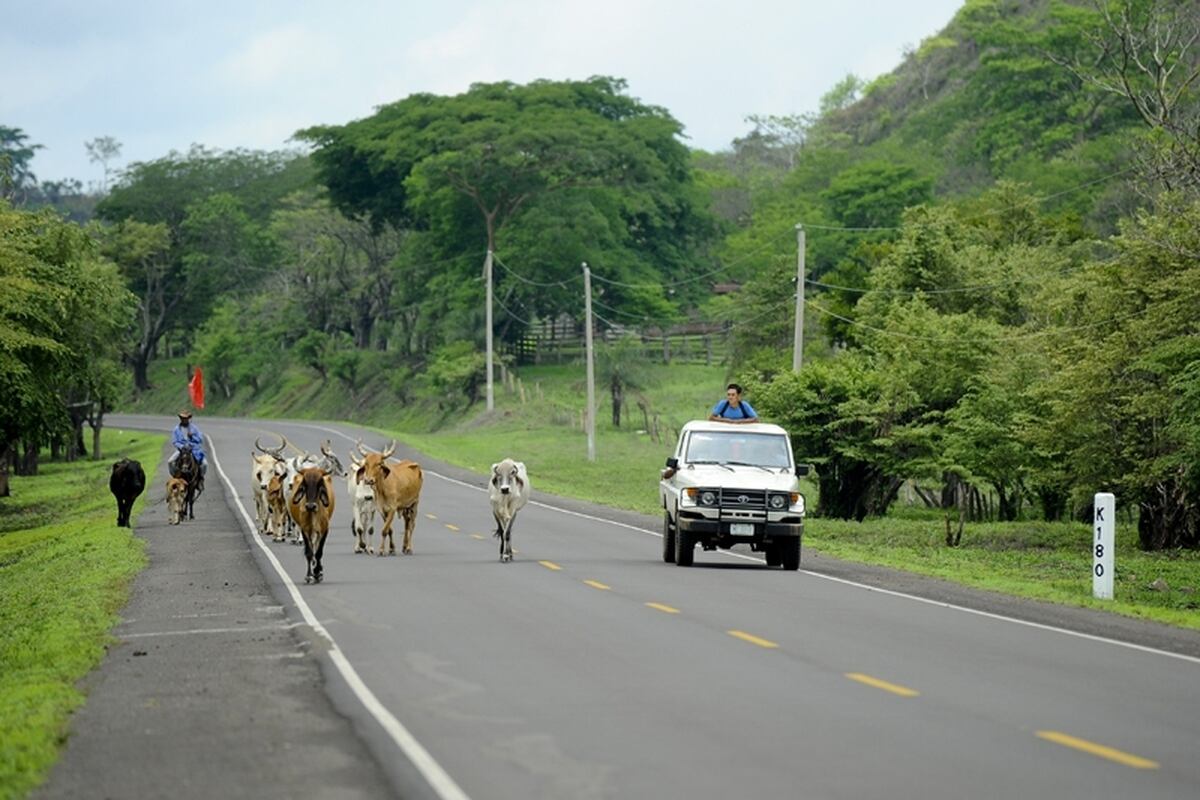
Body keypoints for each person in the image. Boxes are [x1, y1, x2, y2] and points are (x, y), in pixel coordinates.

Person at [168, 410, 207, 481]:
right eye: (182, 418)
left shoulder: (194, 428)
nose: (184, 420)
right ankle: (174, 476)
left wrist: (192, 436)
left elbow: (200, 439)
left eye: (186, 418)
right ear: (180, 419)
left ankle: (200, 478)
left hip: (194, 449)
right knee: (170, 461)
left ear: (188, 418)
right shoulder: (176, 429)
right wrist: (182, 447)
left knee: (204, 464)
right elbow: (175, 441)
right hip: (181, 450)